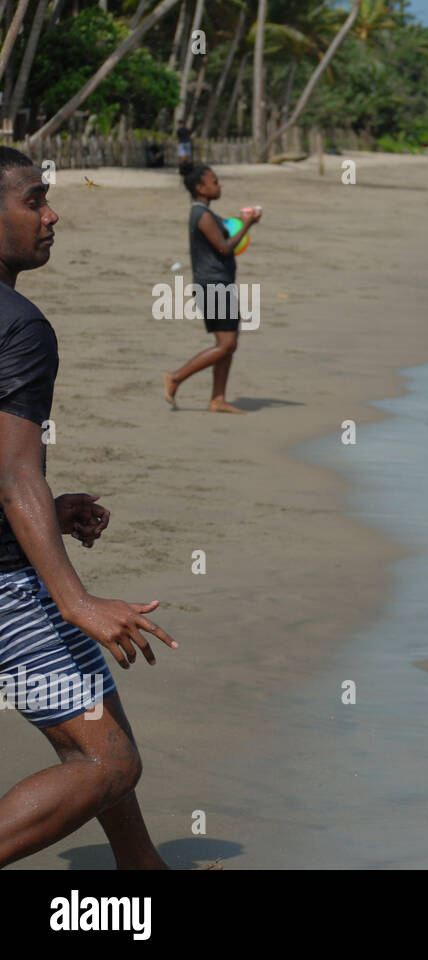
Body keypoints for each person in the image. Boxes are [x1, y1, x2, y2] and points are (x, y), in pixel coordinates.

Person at [0, 147, 179, 868]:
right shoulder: (20, 327)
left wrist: (51, 504)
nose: (52, 215)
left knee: (94, 721)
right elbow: (15, 475)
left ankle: (143, 872)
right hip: (9, 582)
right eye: (35, 201)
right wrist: (74, 599)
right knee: (108, 764)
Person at [163, 162, 259, 413]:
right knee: (227, 344)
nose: (219, 185)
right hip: (212, 285)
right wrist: (247, 224)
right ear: (200, 187)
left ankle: (218, 399)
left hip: (220, 283)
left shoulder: (208, 214)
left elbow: (226, 237)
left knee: (229, 342)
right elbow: (224, 247)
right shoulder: (201, 215)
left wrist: (244, 221)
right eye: (214, 181)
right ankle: (175, 377)